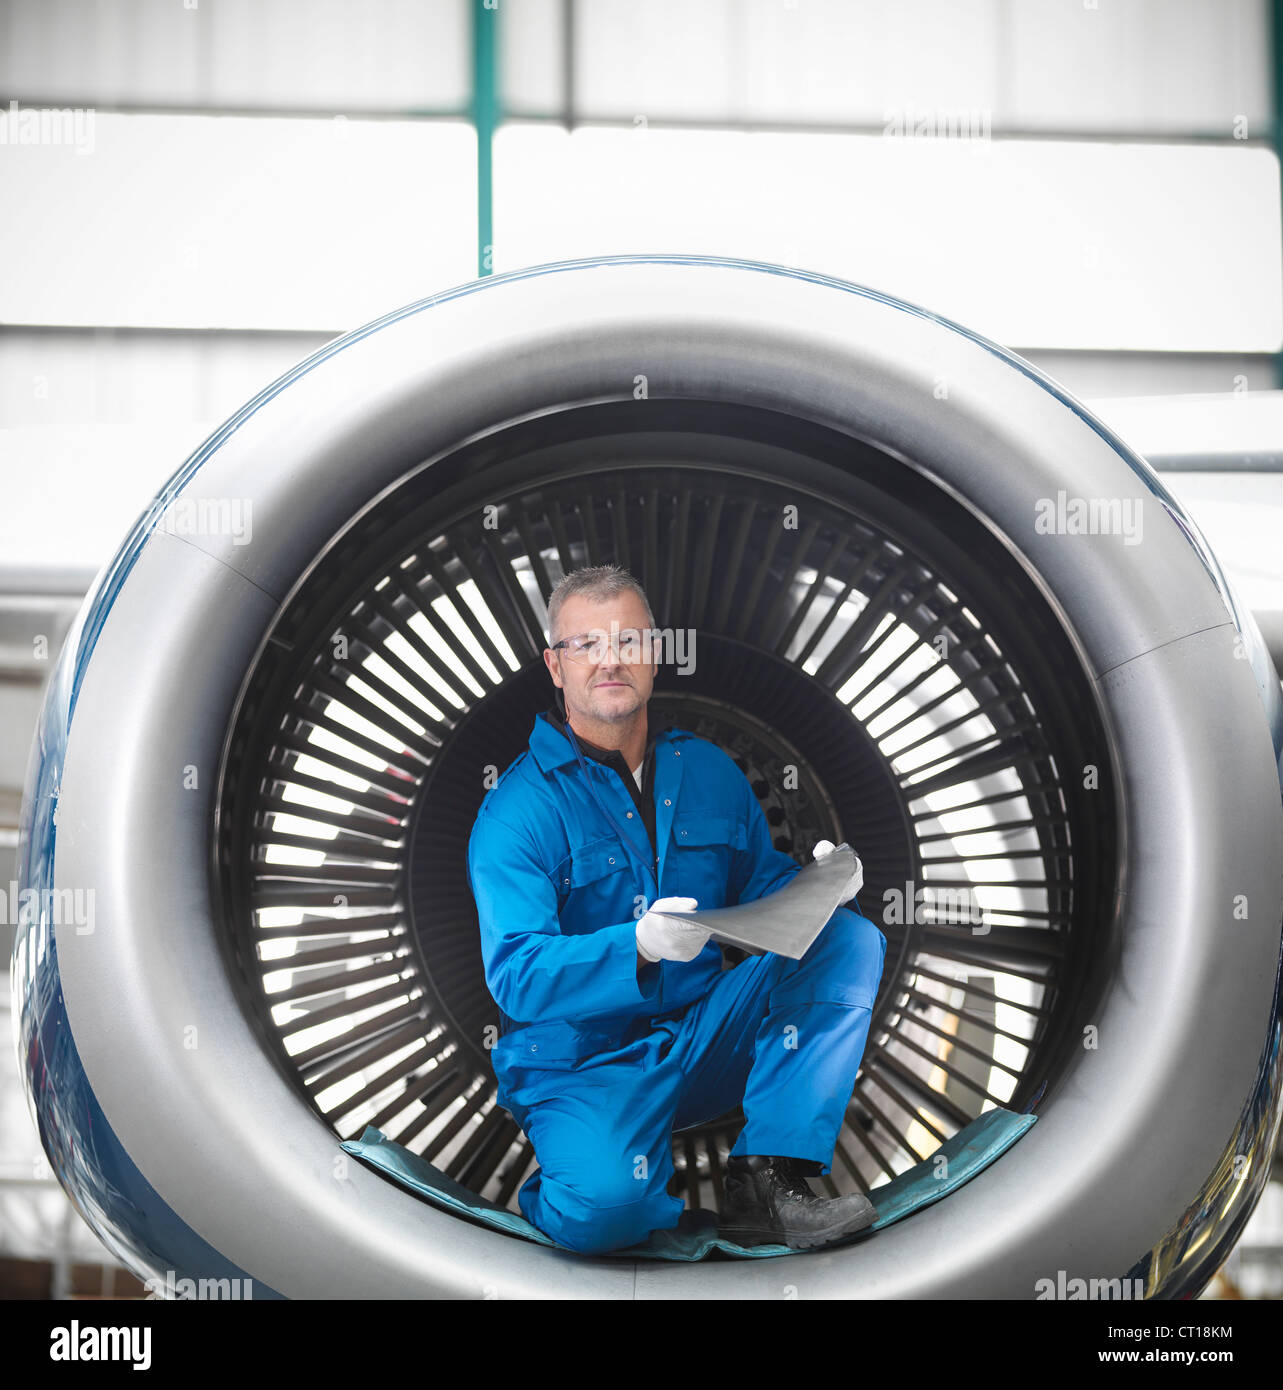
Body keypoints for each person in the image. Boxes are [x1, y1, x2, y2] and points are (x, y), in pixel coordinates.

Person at [466, 564, 887, 1255]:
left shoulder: (709, 773)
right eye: (584, 645)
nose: (609, 659)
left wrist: (823, 883)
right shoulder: (517, 812)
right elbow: (516, 973)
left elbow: (766, 898)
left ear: (654, 655)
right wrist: (635, 946)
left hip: (699, 1038)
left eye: (628, 641)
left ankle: (765, 1181)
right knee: (606, 1215)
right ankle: (575, 1186)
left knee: (844, 940)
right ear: (554, 666)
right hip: (581, 1064)